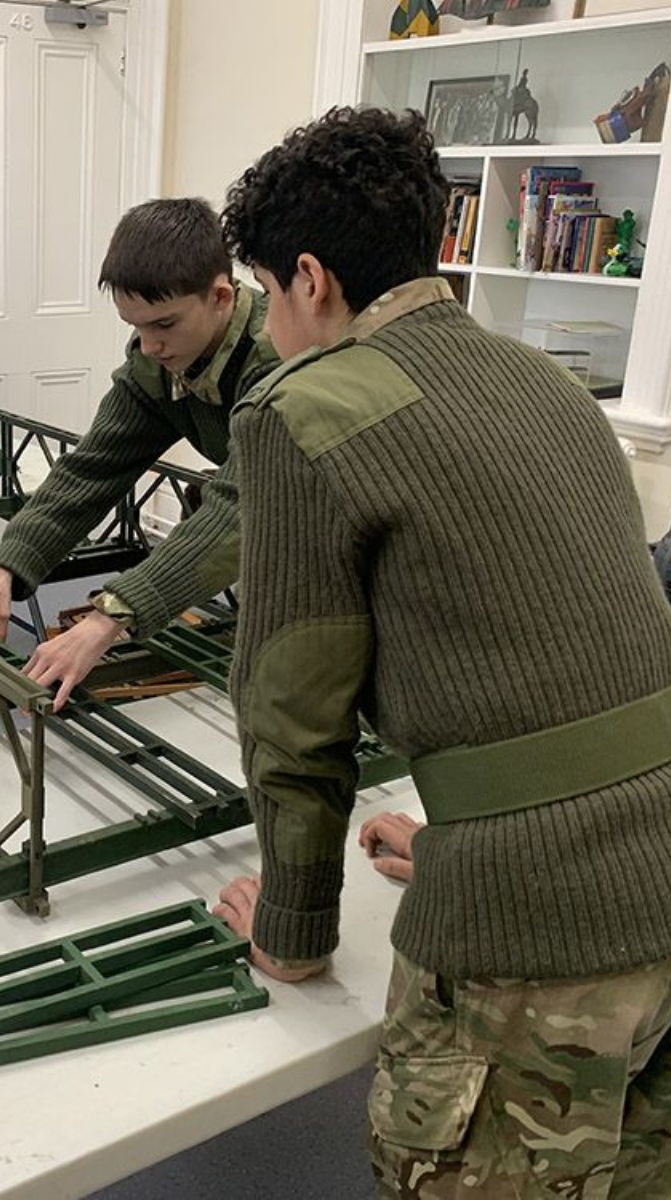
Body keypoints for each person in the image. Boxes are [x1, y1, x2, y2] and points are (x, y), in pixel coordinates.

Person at [212, 106, 671, 1195]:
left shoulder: (301, 413)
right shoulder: (544, 382)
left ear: (309, 280)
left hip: (539, 936)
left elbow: (293, 721)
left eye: (268, 294)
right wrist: (464, 830)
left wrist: (291, 928)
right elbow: (566, 650)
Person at [0, 198, 281, 710]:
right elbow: (92, 470)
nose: (149, 346)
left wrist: (110, 617)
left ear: (221, 296)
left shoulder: (279, 358)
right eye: (135, 326)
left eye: (164, 325)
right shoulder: (160, 366)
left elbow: (243, 506)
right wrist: (6, 565)